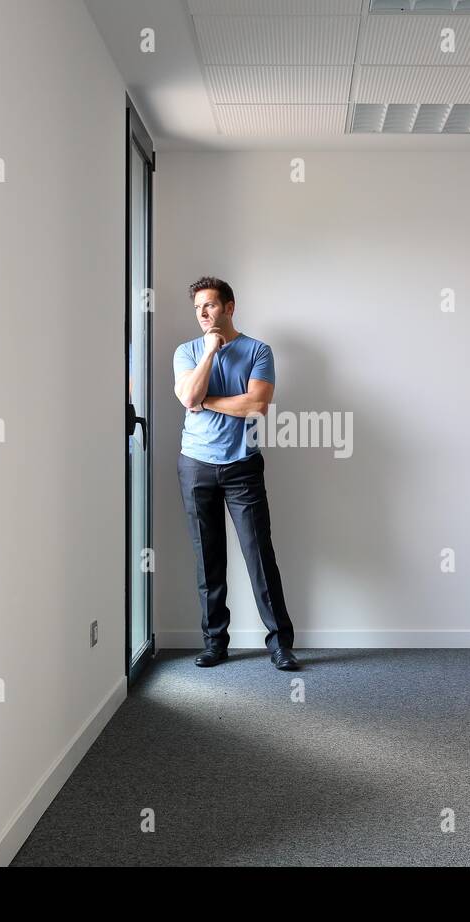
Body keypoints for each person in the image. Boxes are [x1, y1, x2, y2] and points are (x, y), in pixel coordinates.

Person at [173, 276, 298, 671]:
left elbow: (256, 406)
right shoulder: (188, 351)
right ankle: (215, 643)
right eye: (197, 308)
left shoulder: (258, 350)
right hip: (195, 465)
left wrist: (206, 400)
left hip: (242, 465)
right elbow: (187, 397)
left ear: (229, 306)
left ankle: (280, 644)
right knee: (207, 559)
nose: (203, 314)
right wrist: (209, 352)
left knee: (259, 554)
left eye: (209, 306)